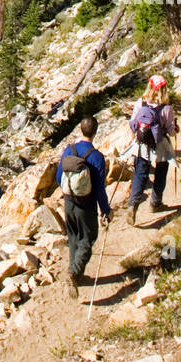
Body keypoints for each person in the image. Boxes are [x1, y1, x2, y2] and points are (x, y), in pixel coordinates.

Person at [56, 115, 111, 299]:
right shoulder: (96, 156)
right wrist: (105, 210)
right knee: (88, 238)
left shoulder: (68, 150)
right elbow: (99, 189)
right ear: (95, 132)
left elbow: (58, 177)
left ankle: (75, 274)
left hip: (69, 202)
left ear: (80, 129)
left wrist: (66, 193)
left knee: (73, 236)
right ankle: (73, 272)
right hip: (86, 205)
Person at [126, 75, 178, 225]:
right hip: (160, 144)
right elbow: (171, 131)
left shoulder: (140, 103)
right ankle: (155, 203)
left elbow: (133, 124)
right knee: (161, 172)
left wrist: (134, 139)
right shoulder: (167, 108)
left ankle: (133, 204)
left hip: (142, 144)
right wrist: (175, 129)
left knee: (140, 173)